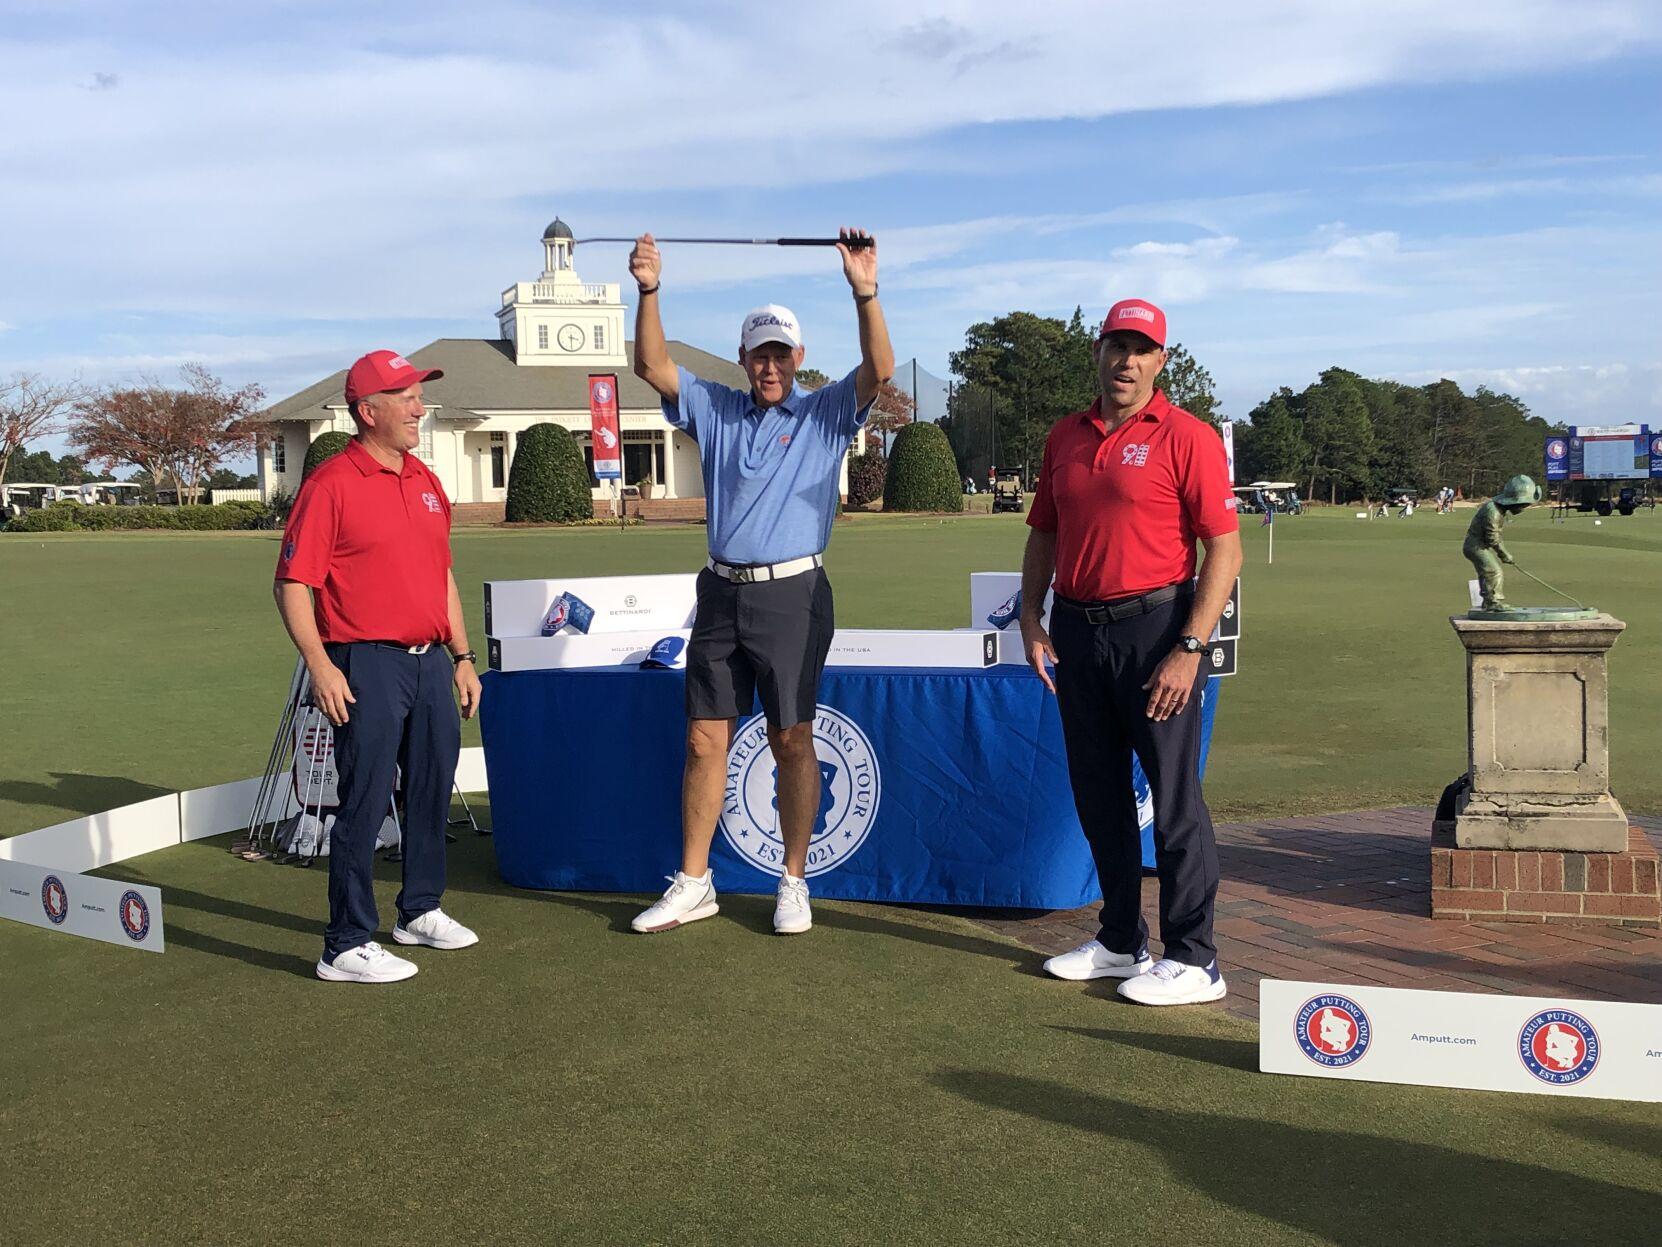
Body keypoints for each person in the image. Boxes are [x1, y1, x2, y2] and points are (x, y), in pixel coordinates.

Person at [626, 229, 893, 936]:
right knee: (702, 740)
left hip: (792, 595)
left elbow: (879, 367)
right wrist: (649, 288)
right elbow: (651, 363)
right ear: (744, 358)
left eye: (780, 354)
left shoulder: (825, 412)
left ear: (798, 358)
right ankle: (694, 882)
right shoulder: (716, 407)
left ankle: (794, 879)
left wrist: (865, 291)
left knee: (792, 738)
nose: (770, 366)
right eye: (759, 354)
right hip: (720, 592)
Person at [1018, 298, 1243, 1006]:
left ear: (1160, 361)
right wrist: (1030, 615)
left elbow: (1224, 549)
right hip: (1077, 630)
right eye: (1117, 345)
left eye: (1142, 349)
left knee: (1173, 800)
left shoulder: (1187, 436)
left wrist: (1190, 647)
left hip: (1157, 630)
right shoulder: (1066, 436)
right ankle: (1120, 938)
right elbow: (1044, 532)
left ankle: (1195, 958)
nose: (1127, 360)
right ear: (1099, 351)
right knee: (1099, 793)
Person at [275, 349, 483, 984]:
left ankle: (418, 910)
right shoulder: (331, 484)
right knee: (364, 801)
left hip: (429, 664)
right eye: (406, 397)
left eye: (419, 395)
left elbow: (441, 576)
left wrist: (462, 657)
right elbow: (293, 583)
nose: (420, 407)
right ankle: (344, 943)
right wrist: (320, 666)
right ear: (368, 411)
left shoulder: (424, 480)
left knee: (430, 789)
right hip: (363, 662)